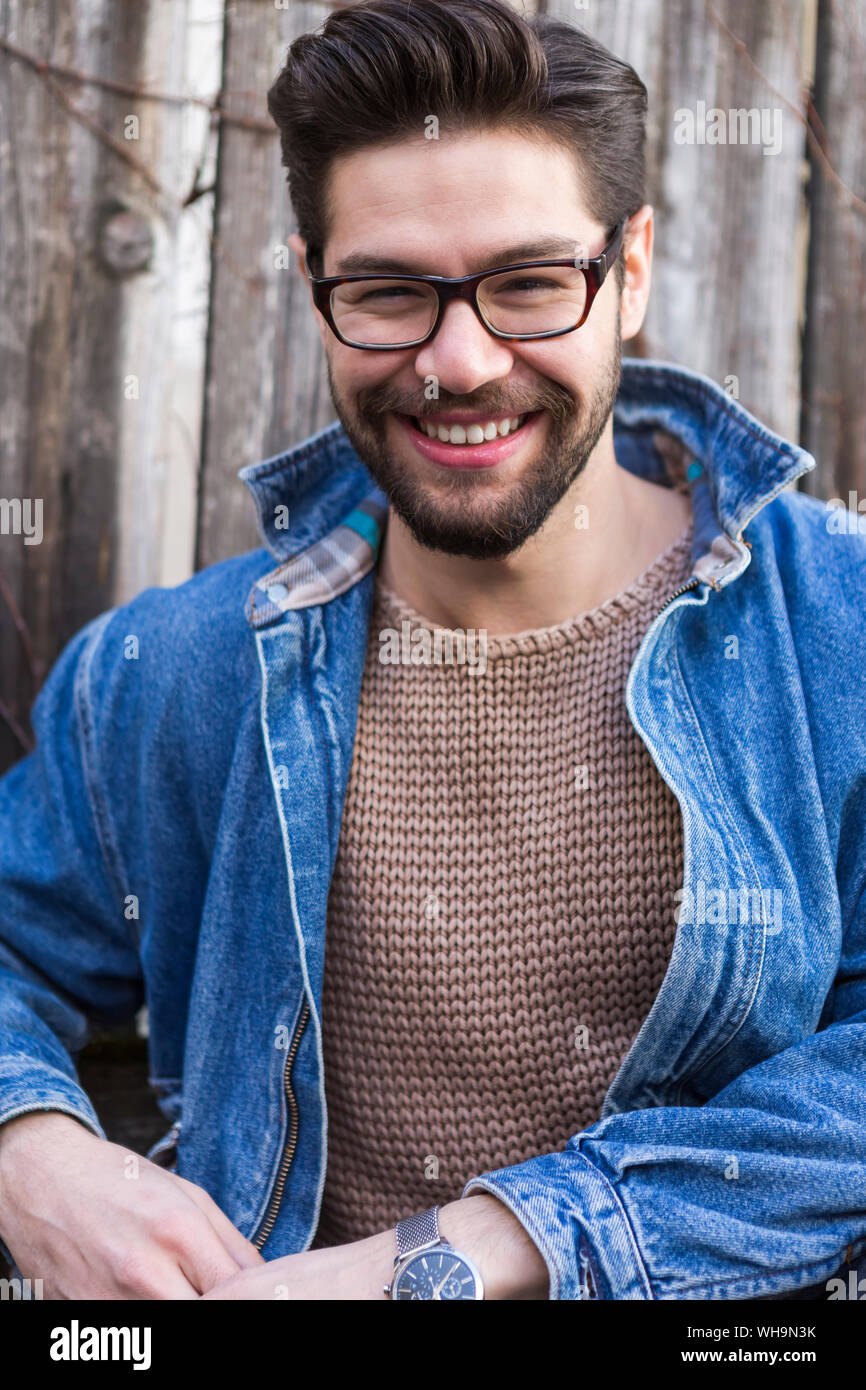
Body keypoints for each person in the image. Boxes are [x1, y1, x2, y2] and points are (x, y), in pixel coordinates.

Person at [0, 0, 864, 1302]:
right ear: (313, 287)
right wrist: (30, 1146)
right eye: (390, 292)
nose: (458, 363)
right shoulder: (168, 674)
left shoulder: (834, 624)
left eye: (526, 281)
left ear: (628, 269)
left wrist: (475, 1247)